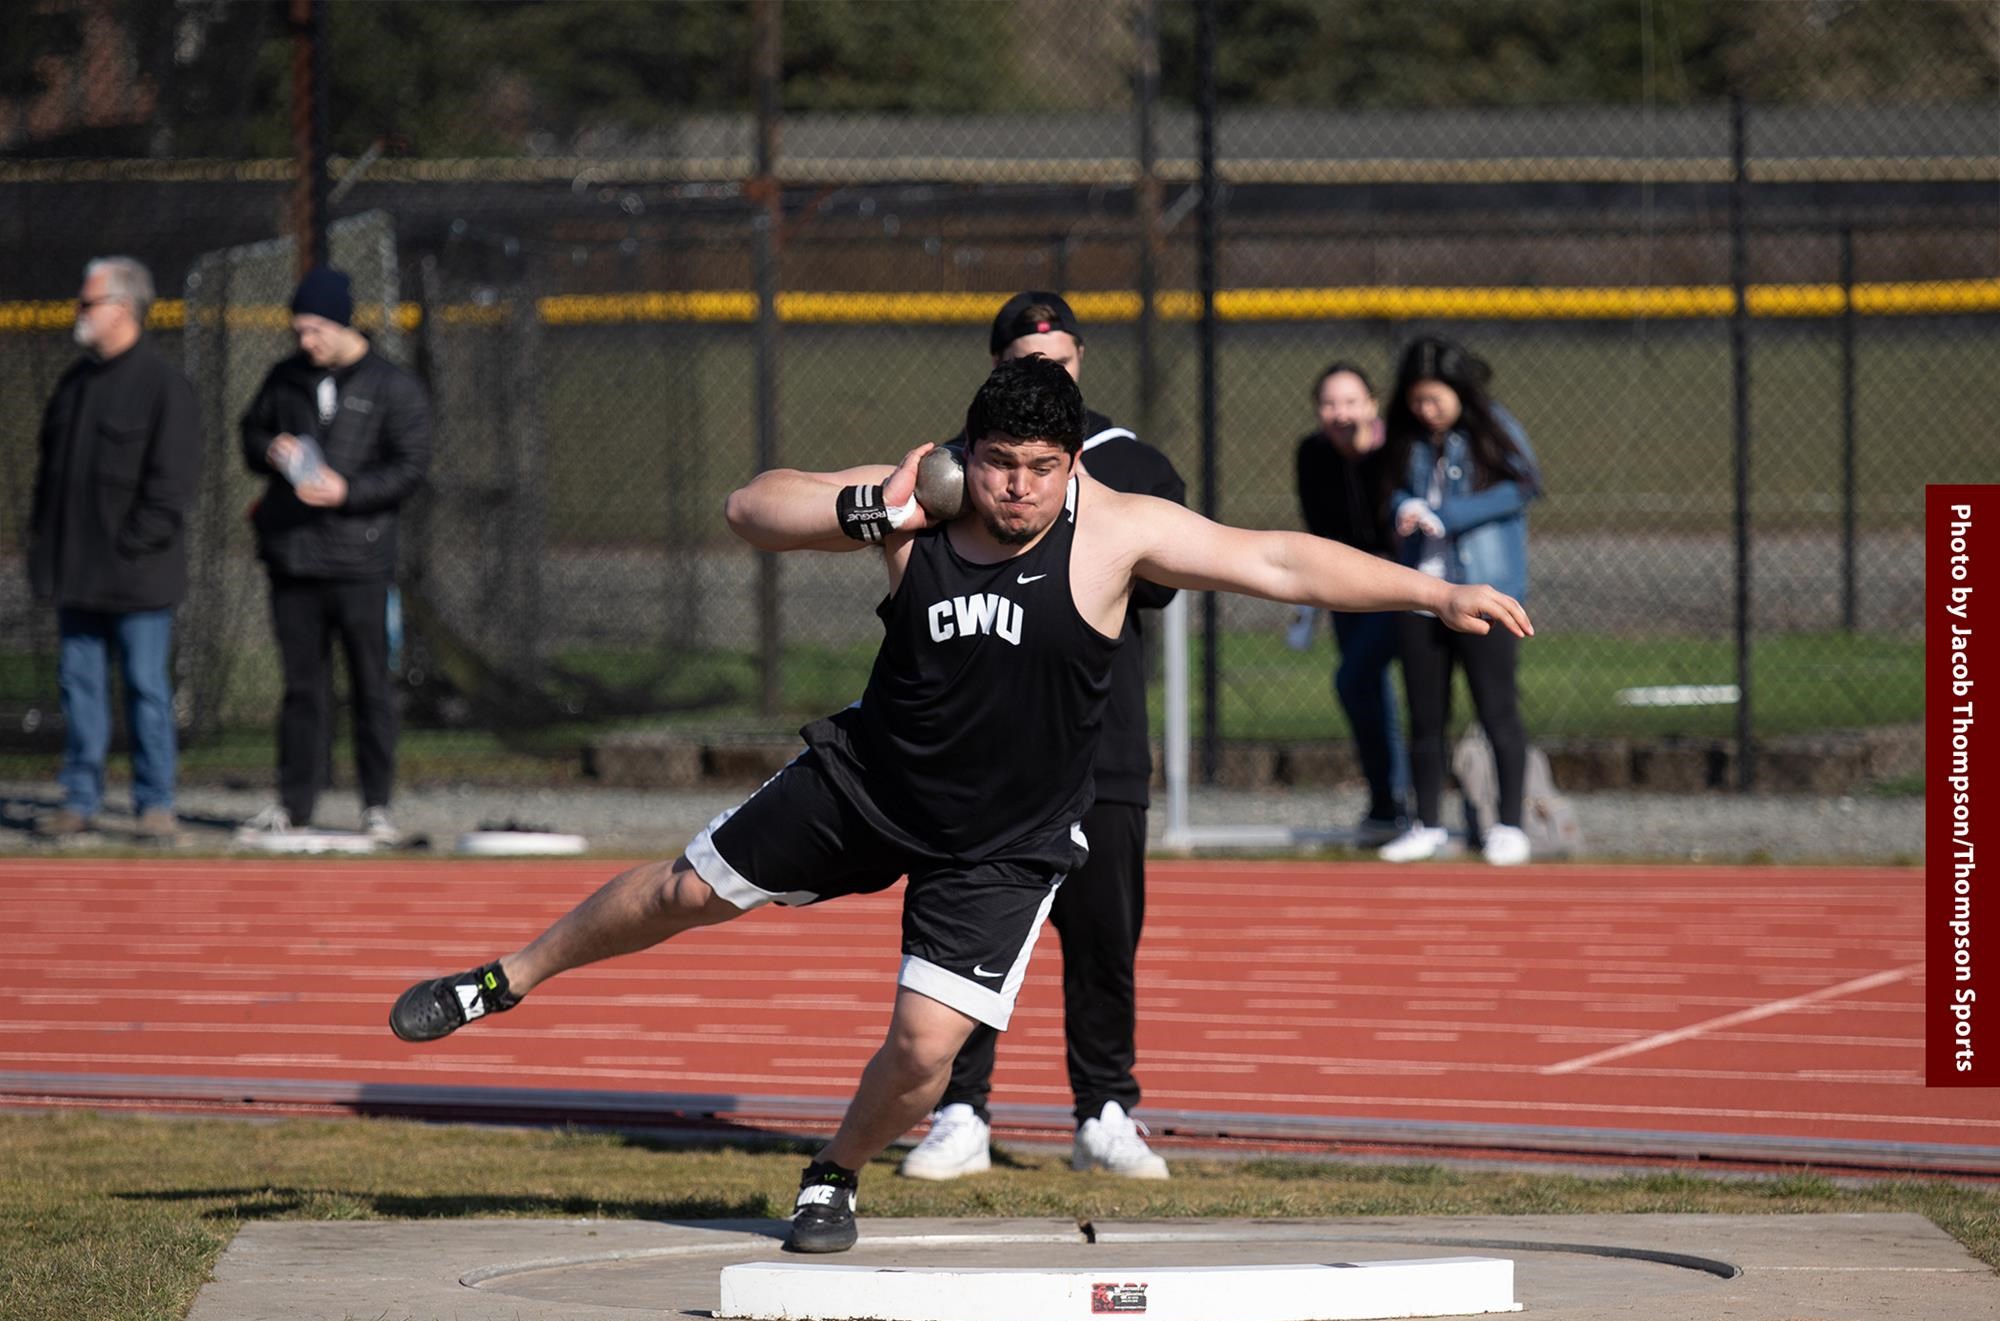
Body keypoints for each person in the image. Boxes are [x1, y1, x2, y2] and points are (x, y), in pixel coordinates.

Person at [385, 357, 1530, 1256]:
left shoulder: (1115, 529)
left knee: (924, 1051)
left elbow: (1275, 560)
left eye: (1039, 466)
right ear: (963, 455)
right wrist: (872, 511)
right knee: (686, 890)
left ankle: (832, 1171)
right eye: (996, 464)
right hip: (870, 780)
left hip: (1003, 840)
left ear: (1072, 463)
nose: (1016, 487)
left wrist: (1432, 593)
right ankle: (503, 978)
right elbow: (749, 509)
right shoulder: (916, 510)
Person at [899, 292, 1186, 1185]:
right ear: (996, 369)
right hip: (982, 754)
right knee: (964, 941)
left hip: (1101, 745)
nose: (1047, 375)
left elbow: (1161, 578)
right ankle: (960, 1110)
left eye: (1060, 361)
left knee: (1104, 938)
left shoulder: (1127, 461)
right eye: (1028, 362)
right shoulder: (960, 469)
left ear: (1082, 361)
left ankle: (1105, 1109)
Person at [237, 266, 431, 844]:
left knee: (371, 686)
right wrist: (269, 449)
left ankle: (376, 806)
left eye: (315, 329)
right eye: (298, 329)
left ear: (343, 323)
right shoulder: (285, 377)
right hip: (293, 558)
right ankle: (294, 804)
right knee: (302, 688)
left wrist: (349, 492)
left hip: (360, 563)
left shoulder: (393, 386)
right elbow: (250, 432)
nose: (306, 341)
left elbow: (410, 466)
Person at [26, 257, 203, 841]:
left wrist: (130, 546)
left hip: (137, 576)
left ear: (123, 309)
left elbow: (171, 487)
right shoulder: (75, 384)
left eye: (88, 303)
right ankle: (81, 797)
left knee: (146, 687)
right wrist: (46, 547)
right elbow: (50, 477)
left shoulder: (162, 385)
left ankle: (155, 802)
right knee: (79, 686)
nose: (78, 312)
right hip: (77, 574)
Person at [1376, 335, 1542, 867]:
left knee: (1497, 709)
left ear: (1459, 390)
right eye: (1416, 400)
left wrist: (1449, 516)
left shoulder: (1493, 428)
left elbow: (1523, 485)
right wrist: (1405, 507)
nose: (1425, 410)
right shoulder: (1407, 438)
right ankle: (1426, 823)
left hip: (1485, 592)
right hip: (1420, 591)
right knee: (1425, 714)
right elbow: (1389, 488)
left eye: (1435, 399)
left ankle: (1509, 824)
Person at [1291, 361, 1408, 846]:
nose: (1341, 413)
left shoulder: (1397, 451)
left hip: (1402, 587)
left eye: (1351, 402)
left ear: (1371, 405)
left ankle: (1402, 797)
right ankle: (1385, 801)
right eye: (1330, 403)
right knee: (1366, 691)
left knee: (1355, 677)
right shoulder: (1313, 454)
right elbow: (1320, 525)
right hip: (1344, 588)